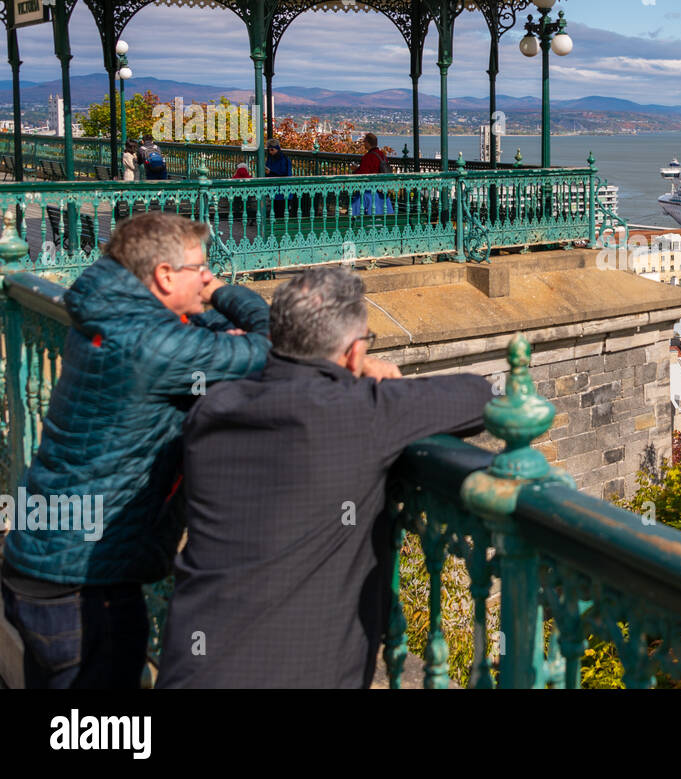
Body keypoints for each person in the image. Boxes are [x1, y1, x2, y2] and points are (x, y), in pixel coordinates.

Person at [157, 267, 494, 688]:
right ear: (354, 352)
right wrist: (374, 378)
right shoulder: (363, 413)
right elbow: (479, 396)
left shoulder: (214, 406)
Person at [1, 212, 273, 688]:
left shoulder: (109, 311)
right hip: (85, 588)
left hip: (39, 557)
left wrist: (206, 321)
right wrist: (223, 295)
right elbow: (275, 345)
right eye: (200, 269)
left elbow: (182, 338)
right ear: (165, 275)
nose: (206, 276)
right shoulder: (153, 345)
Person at [351, 132, 394, 215]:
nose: (363, 144)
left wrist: (355, 170)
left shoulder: (368, 157)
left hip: (370, 189)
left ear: (367, 143)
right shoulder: (382, 155)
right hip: (381, 189)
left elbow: (362, 173)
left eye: (364, 142)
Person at [265, 142, 295, 218]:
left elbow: (285, 174)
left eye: (272, 150)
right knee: (276, 210)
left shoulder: (284, 159)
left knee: (282, 211)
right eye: (269, 150)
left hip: (284, 189)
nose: (270, 152)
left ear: (277, 149)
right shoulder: (270, 159)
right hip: (274, 189)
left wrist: (270, 172)